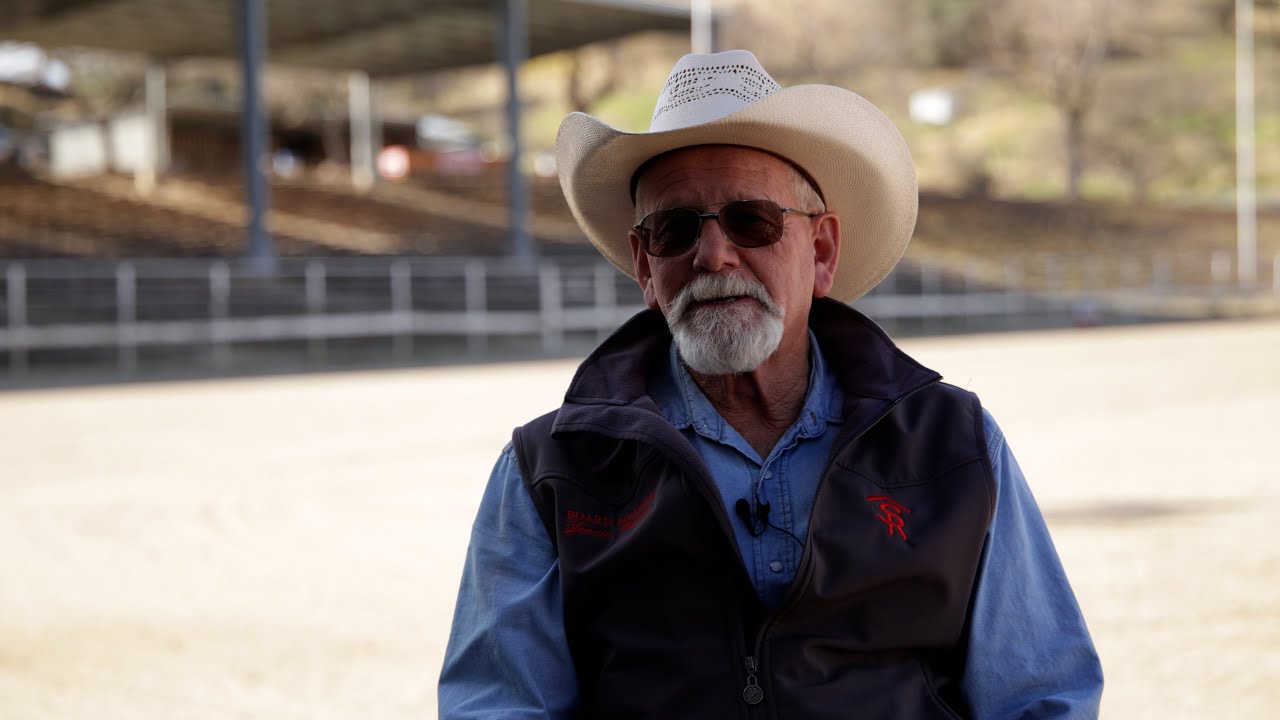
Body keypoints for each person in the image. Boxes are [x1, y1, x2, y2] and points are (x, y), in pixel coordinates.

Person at [439, 50, 1102, 719]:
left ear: (820, 251)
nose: (713, 253)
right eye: (675, 229)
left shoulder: (954, 446)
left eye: (752, 220)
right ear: (645, 266)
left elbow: (1041, 698)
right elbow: (498, 705)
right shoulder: (552, 469)